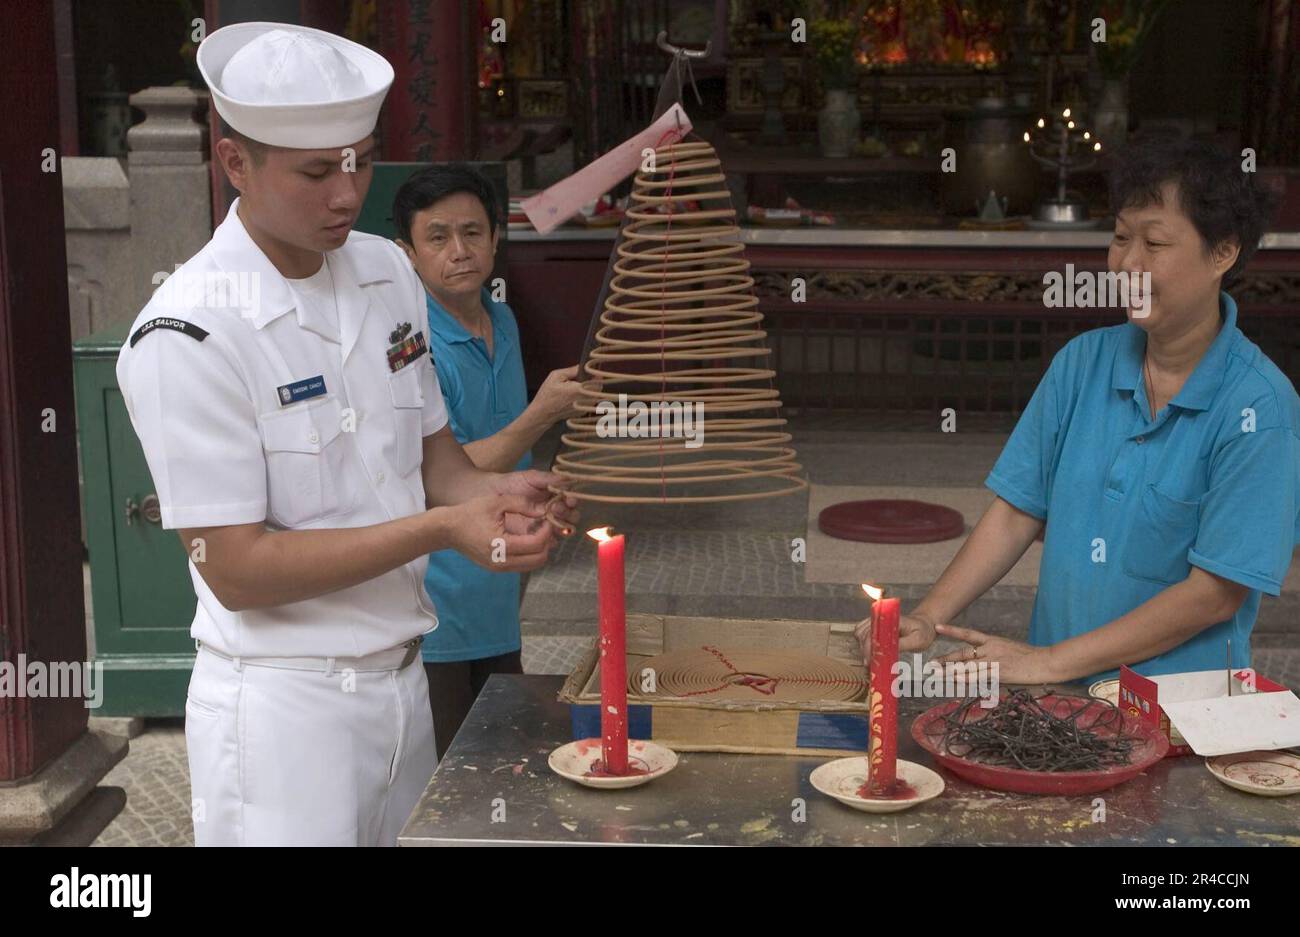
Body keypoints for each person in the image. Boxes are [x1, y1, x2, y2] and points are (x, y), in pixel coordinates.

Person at [116, 22, 577, 846]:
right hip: (285, 711)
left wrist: (495, 493)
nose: (346, 193)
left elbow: (436, 461)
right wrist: (444, 527)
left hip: (403, 684)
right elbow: (237, 568)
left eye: (360, 160)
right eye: (317, 171)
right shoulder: (190, 332)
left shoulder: (386, 270)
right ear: (235, 163)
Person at [857, 135, 1295, 686]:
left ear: (1223, 252)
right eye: (1118, 237)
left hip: (1180, 712)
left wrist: (1043, 662)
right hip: (1060, 700)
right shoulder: (1082, 363)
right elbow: (1018, 511)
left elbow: (1214, 594)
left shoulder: (1260, 407)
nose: (1126, 263)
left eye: (1154, 244)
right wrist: (927, 615)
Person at [392, 164, 588, 757]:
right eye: (438, 237)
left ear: (497, 238)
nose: (460, 251)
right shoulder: (410, 345)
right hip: (437, 603)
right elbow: (441, 469)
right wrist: (542, 413)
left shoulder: (501, 316)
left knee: (506, 758)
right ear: (408, 253)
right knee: (448, 771)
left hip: (500, 592)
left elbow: (499, 455)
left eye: (473, 233)